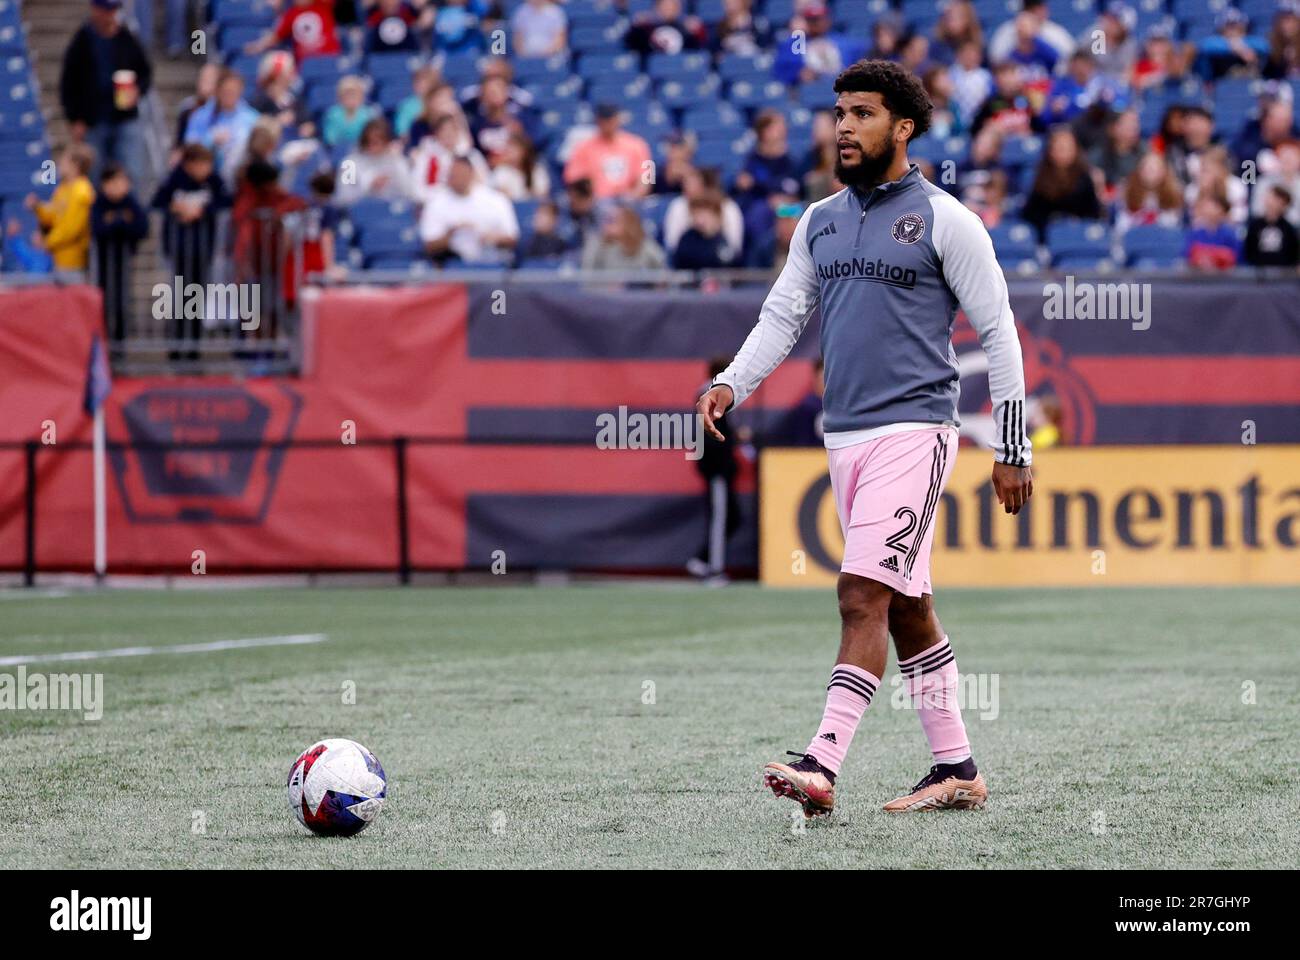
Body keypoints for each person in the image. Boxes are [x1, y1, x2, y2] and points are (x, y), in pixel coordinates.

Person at [696, 60, 1032, 818]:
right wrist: (730, 382)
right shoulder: (819, 218)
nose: (844, 126)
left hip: (916, 432)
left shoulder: (948, 219)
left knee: (860, 596)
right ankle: (956, 767)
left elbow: (999, 333)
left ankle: (822, 764)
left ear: (903, 127)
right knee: (907, 607)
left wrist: (1015, 449)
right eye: (839, 111)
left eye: (863, 113)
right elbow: (782, 317)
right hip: (843, 436)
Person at [60, 0, 152, 185]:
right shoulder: (82, 41)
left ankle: (129, 213)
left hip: (124, 117)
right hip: (92, 120)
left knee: (130, 173)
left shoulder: (126, 38)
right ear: (95, 9)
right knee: (93, 176)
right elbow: (68, 84)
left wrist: (137, 90)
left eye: (113, 10)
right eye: (106, 9)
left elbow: (145, 73)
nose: (109, 15)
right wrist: (74, 118)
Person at [151, 144, 230, 354]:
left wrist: (201, 211)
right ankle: (176, 345)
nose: (207, 170)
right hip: (179, 248)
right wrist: (177, 208)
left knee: (197, 295)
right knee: (180, 296)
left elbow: (226, 200)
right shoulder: (174, 179)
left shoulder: (212, 181)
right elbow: (157, 201)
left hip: (203, 248)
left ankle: (194, 346)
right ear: (190, 165)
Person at [686, 356, 742, 583]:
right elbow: (708, 436)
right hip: (716, 469)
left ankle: (701, 561)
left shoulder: (721, 396)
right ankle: (714, 570)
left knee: (732, 517)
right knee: (720, 518)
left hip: (721, 468)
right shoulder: (709, 395)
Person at [419, 155, 519, 265]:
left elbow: (512, 238)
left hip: (491, 261)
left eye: (461, 174)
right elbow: (429, 245)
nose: (457, 179)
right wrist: (452, 234)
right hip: (450, 264)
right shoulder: (436, 203)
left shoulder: (496, 200)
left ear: (471, 174)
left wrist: (490, 237)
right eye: (453, 175)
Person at [91, 161, 148, 342]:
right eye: (113, 183)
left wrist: (114, 222)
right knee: (104, 303)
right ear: (104, 184)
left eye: (121, 182)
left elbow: (141, 228)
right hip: (102, 263)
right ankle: (105, 343)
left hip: (124, 262)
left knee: (122, 302)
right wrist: (122, 221)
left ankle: (120, 343)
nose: (117, 187)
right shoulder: (99, 203)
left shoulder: (131, 202)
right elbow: (98, 228)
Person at [1021, 126, 1102, 239]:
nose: (1064, 152)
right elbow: (1031, 214)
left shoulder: (1084, 178)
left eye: (1068, 148)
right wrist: (1053, 222)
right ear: (1051, 151)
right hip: (1047, 237)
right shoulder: (1040, 178)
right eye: (1060, 148)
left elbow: (1094, 213)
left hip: (1080, 235)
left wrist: (1077, 222)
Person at [184, 68, 261, 184]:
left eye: (234, 92)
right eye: (226, 92)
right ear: (218, 91)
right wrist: (210, 139)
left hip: (241, 176)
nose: (230, 96)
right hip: (207, 174)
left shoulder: (252, 118)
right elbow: (190, 145)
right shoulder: (201, 115)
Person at [27, 144, 97, 273]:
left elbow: (71, 229)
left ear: (75, 165)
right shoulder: (62, 189)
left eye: (64, 160)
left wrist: (46, 242)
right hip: (58, 259)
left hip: (74, 261)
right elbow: (54, 216)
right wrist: (37, 207)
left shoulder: (82, 191)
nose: (59, 164)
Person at [563, 104, 653, 200]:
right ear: (597, 121)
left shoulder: (637, 144)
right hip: (596, 202)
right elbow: (574, 179)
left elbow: (647, 179)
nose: (607, 124)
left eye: (610, 120)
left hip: (629, 201)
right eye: (604, 120)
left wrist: (633, 198)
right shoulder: (583, 148)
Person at [336, 117, 416, 205]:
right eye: (369, 141)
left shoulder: (397, 161)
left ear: (387, 142)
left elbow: (409, 193)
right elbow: (342, 197)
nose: (372, 146)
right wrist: (369, 187)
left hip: (391, 213)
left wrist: (397, 160)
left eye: (377, 142)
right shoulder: (349, 163)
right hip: (360, 213)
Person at [245, 0, 341, 62]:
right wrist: (257, 47)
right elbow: (276, 36)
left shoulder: (322, 6)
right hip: (306, 61)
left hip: (329, 56)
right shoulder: (291, 14)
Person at [580, 204, 666, 270]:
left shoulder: (644, 245)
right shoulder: (598, 245)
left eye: (613, 220)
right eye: (607, 220)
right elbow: (587, 278)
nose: (606, 225)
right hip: (603, 293)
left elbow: (663, 271)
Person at [1245, 184, 1300, 266]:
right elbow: (1249, 251)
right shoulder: (1255, 226)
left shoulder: (1288, 229)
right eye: (1269, 197)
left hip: (1284, 274)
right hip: (1258, 273)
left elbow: (1293, 254)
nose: (1270, 202)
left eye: (1275, 199)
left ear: (1284, 204)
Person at [1184, 194, 1240, 270]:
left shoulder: (1229, 233)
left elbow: (1236, 257)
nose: (1208, 209)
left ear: (1221, 210)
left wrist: (1216, 258)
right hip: (1199, 277)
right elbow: (1188, 255)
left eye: (1213, 206)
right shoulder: (1195, 233)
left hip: (1225, 277)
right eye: (1206, 206)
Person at [323, 76, 377, 150]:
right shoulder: (333, 114)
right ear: (340, 97)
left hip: (364, 150)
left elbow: (372, 136)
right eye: (347, 94)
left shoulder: (370, 113)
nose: (351, 98)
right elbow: (330, 138)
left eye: (354, 94)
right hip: (340, 151)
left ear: (361, 96)